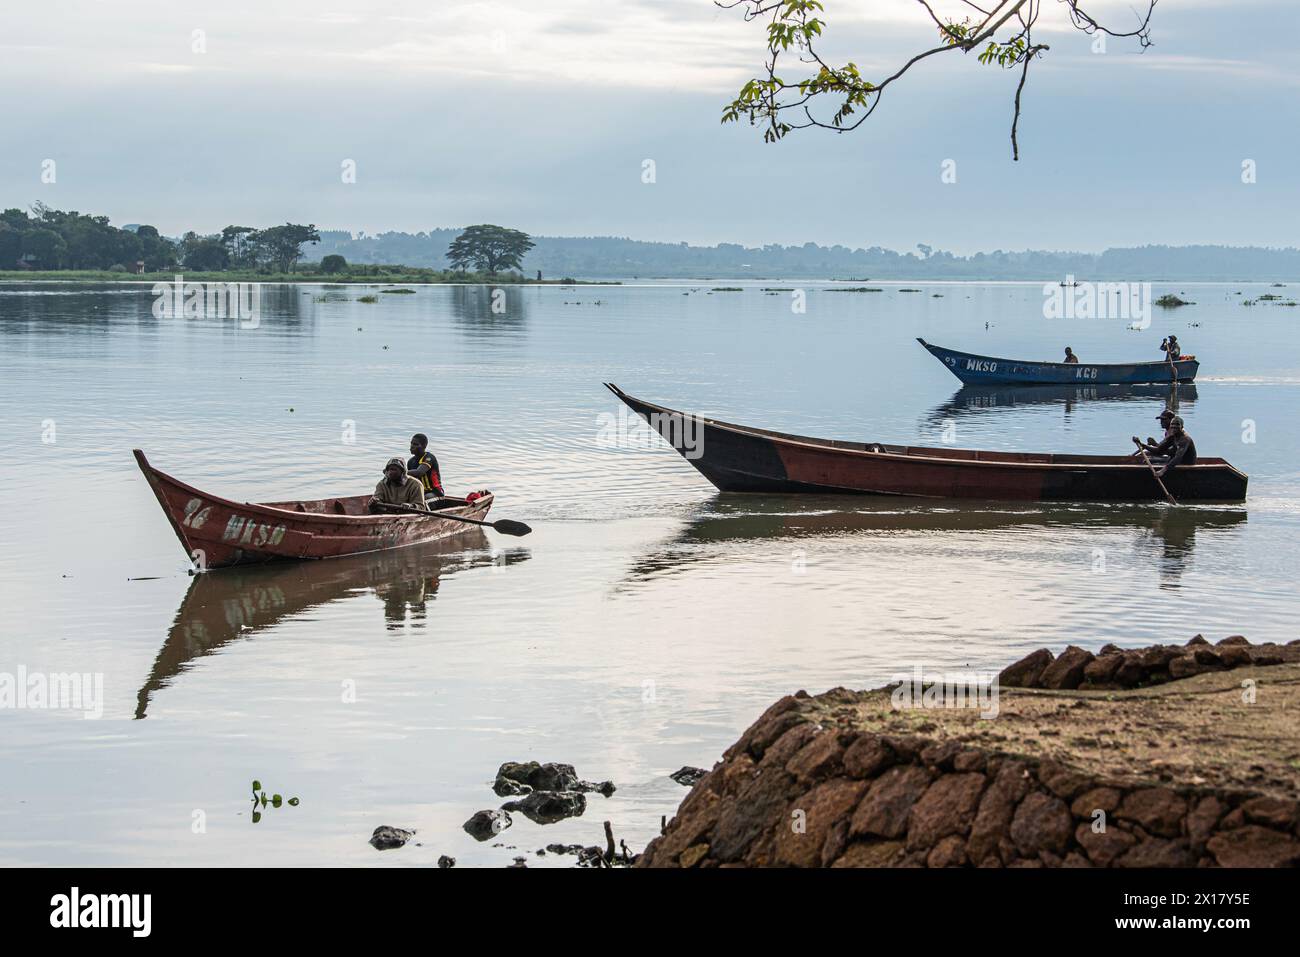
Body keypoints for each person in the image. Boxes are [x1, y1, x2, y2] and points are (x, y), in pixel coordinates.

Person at [407, 433, 445, 505]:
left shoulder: (429, 457)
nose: (412, 446)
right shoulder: (410, 461)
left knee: (423, 499)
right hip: (420, 493)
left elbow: (419, 472)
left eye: (415, 444)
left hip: (435, 493)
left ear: (424, 446)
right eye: (411, 444)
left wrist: (400, 471)